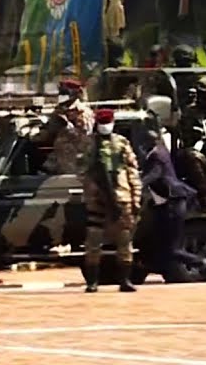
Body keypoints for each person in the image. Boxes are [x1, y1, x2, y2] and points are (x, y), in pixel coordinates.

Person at [141, 126, 206, 282]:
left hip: (174, 202)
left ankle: (202, 263)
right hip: (170, 202)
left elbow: (154, 175)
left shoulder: (156, 155)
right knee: (162, 243)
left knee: (172, 248)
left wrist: (137, 183)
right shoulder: (158, 152)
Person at [81, 108, 141, 293]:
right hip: (97, 199)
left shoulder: (121, 143)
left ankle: (125, 280)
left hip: (122, 197)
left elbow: (133, 171)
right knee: (93, 241)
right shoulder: (89, 144)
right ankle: (92, 282)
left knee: (124, 241)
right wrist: (93, 187)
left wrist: (136, 198)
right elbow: (82, 170)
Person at [41, 79, 94, 175]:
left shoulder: (83, 112)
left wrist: (68, 126)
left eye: (64, 92)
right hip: (60, 161)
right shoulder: (59, 111)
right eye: (61, 92)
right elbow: (50, 133)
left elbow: (85, 135)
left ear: (74, 94)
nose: (61, 95)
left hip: (78, 163)